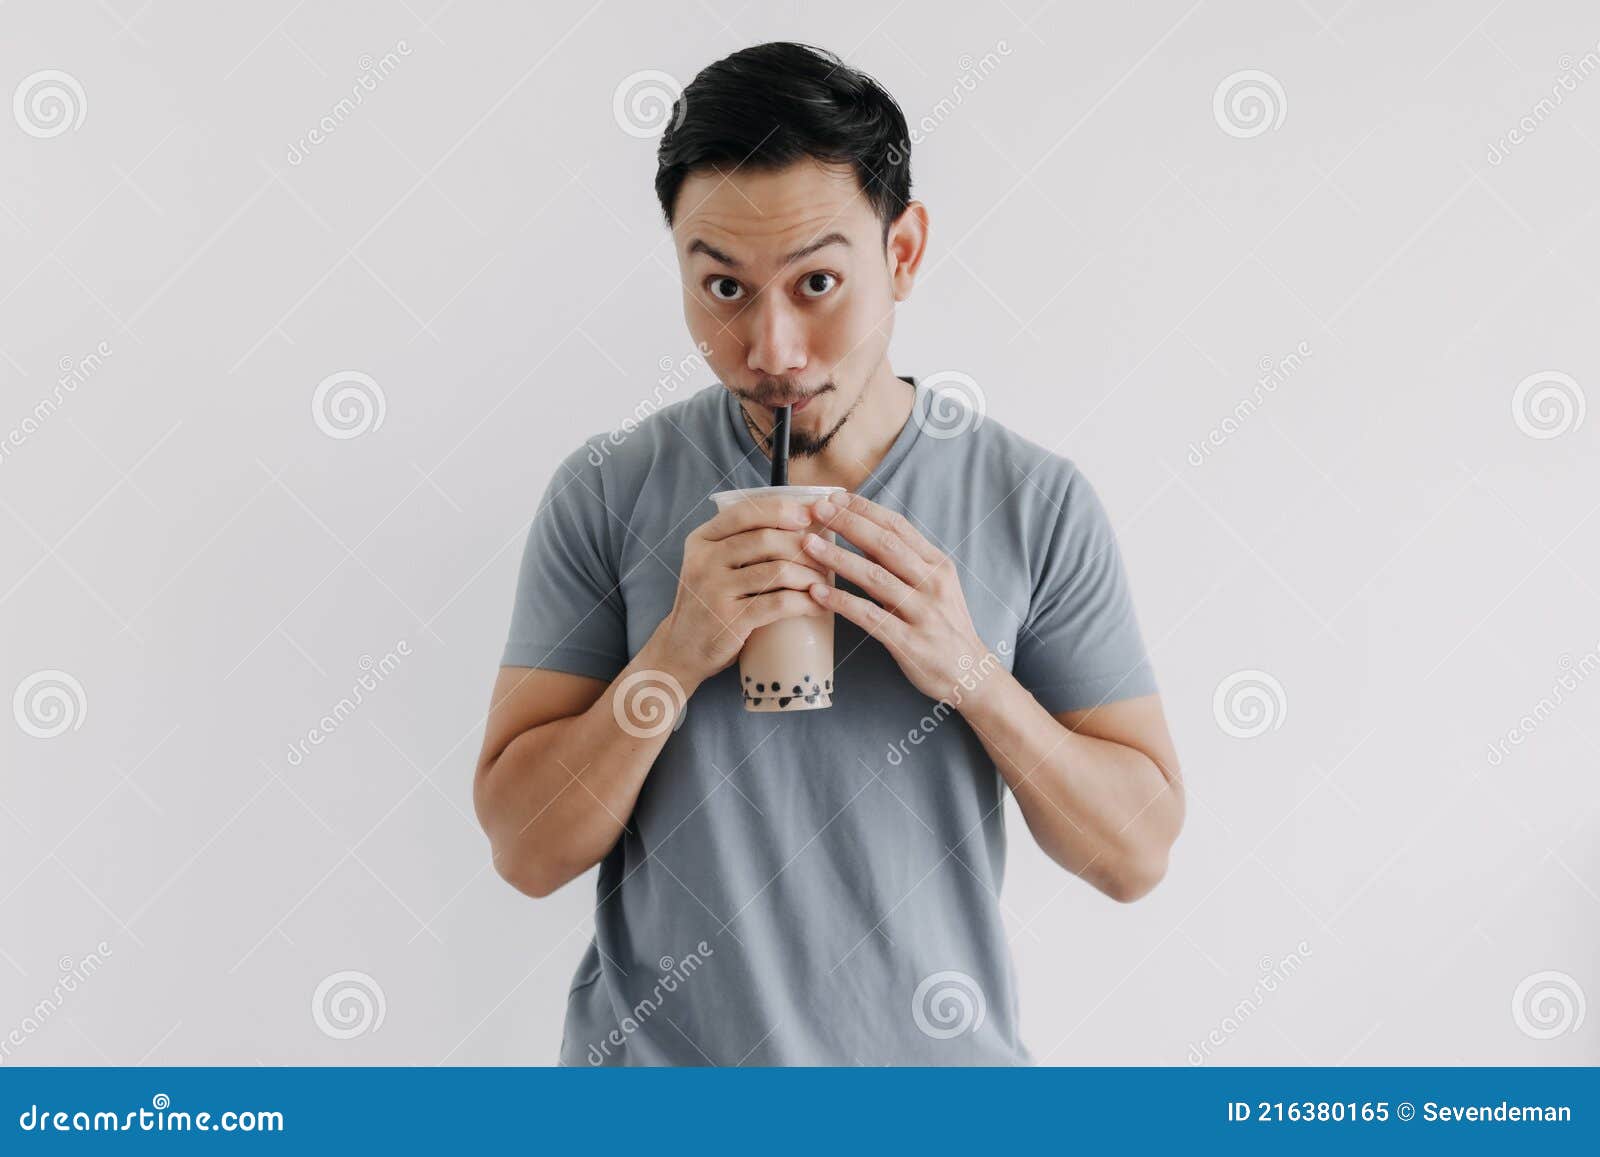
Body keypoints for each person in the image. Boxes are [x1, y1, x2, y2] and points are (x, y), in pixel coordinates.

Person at [473, 41, 1183, 1066]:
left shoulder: (1033, 501)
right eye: (722, 287)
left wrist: (971, 673)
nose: (772, 349)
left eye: (816, 281)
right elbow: (524, 849)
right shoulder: (606, 490)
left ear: (903, 253)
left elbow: (1135, 854)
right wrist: (674, 655)